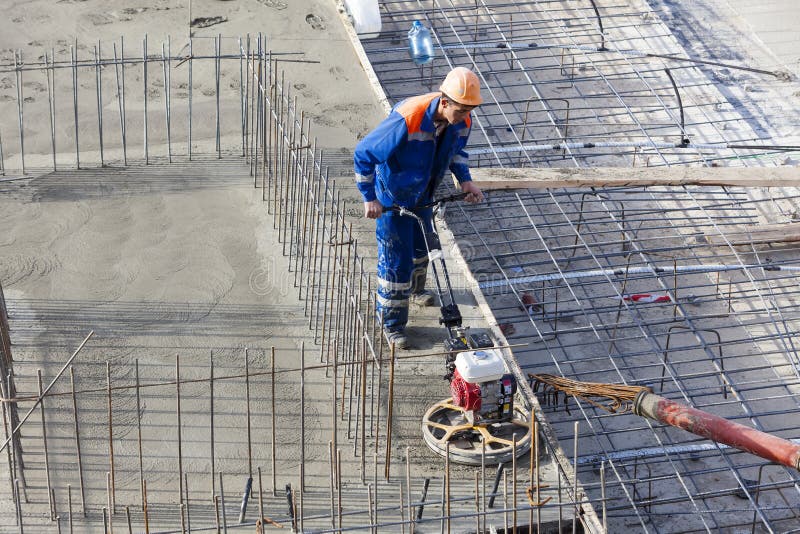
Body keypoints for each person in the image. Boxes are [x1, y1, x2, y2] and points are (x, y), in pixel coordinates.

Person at [353, 67, 484, 349]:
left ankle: (416, 289)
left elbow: (457, 152)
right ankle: (392, 324)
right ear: (445, 101)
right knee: (396, 264)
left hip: (423, 194)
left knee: (423, 249)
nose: (465, 116)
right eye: (461, 110)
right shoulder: (408, 118)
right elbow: (363, 154)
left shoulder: (462, 120)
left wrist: (466, 181)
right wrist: (369, 197)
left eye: (469, 110)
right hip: (393, 198)